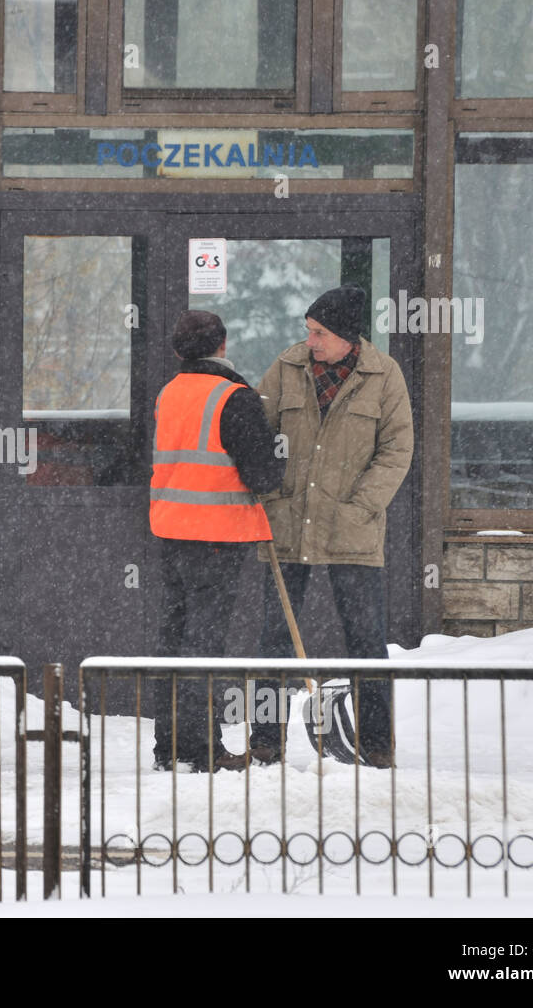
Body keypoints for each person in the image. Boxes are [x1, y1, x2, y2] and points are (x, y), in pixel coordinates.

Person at [252, 283, 413, 768]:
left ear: (347, 336)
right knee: (274, 639)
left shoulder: (384, 376)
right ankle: (265, 741)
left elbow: (396, 450)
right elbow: (258, 431)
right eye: (308, 331)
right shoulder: (286, 367)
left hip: (352, 530)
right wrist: (267, 489)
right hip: (287, 524)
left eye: (319, 333)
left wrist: (360, 506)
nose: (311, 342)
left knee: (365, 639)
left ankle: (377, 744)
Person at [150, 310, 285, 772]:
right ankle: (202, 748)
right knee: (204, 642)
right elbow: (263, 474)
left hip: (172, 530)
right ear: (223, 345)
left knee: (172, 638)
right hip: (217, 535)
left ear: (176, 351)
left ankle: (169, 745)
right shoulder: (235, 398)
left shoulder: (170, 393)